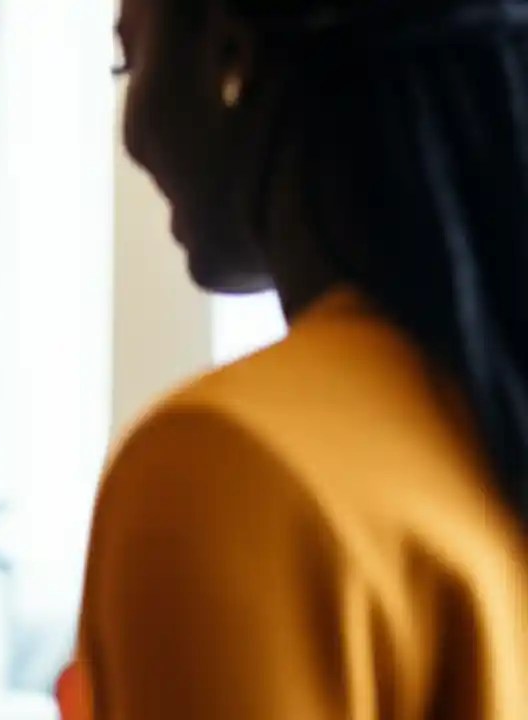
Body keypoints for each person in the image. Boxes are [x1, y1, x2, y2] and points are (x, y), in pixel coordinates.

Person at [56, 0, 528, 718]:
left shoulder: (226, 462)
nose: (131, 134)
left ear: (228, 55)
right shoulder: (486, 409)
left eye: (131, 59)